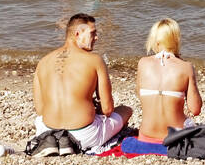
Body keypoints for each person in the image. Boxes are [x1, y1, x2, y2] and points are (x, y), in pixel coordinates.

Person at [32, 13, 131, 152]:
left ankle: (55, 142)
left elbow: (40, 110)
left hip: (47, 132)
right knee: (126, 110)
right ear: (78, 33)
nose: (96, 37)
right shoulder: (95, 60)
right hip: (83, 135)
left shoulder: (43, 62)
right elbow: (108, 110)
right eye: (93, 33)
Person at [135, 18, 202, 144]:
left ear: (155, 40)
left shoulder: (143, 63)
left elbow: (140, 94)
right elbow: (195, 109)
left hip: (146, 136)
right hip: (175, 138)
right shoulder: (185, 67)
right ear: (176, 40)